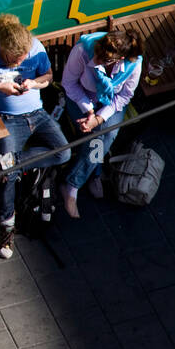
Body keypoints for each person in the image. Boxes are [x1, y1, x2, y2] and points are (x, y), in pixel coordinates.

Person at [0, 13, 71, 259]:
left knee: (64, 152)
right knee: (7, 179)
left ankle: (7, 164)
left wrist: (35, 84)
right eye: (13, 60)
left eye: (22, 58)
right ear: (2, 48)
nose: (18, 61)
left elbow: (48, 77)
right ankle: (6, 225)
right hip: (7, 119)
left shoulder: (35, 46)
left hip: (38, 113)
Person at [59, 28, 143, 218]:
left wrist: (99, 117)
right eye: (97, 55)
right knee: (97, 135)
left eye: (104, 60)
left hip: (110, 104)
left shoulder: (133, 64)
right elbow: (69, 84)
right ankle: (94, 172)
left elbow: (124, 97)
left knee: (105, 131)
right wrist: (89, 111)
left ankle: (73, 184)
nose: (95, 61)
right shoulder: (83, 50)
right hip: (80, 99)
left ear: (120, 58)